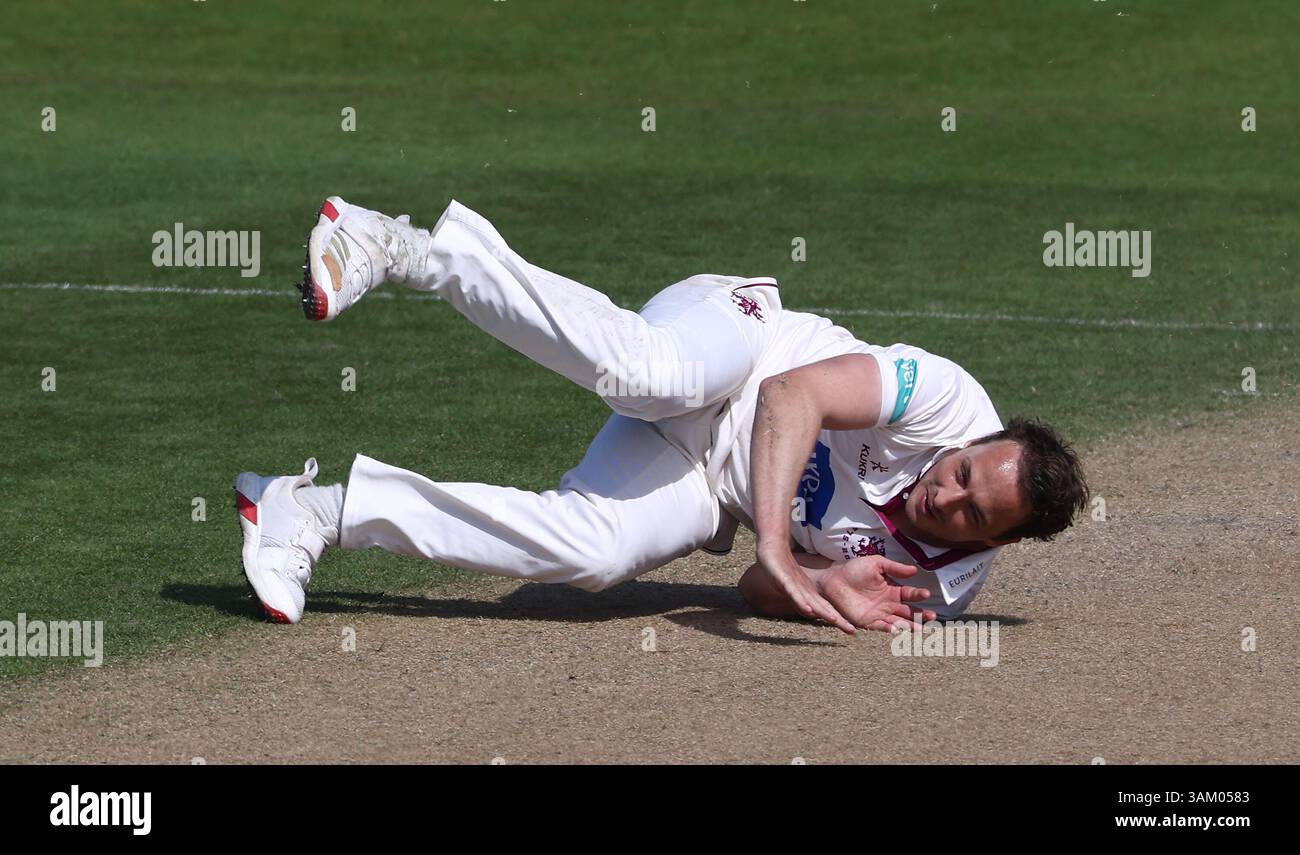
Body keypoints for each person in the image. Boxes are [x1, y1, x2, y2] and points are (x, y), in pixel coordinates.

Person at [234, 196, 1089, 632]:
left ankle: (309, 510)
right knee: (647, 372)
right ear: (979, 441)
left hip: (708, 478)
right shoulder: (948, 399)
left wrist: (817, 586)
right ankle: (404, 247)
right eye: (966, 472)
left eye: (975, 512)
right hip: (741, 347)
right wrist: (782, 546)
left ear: (997, 542)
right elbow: (796, 396)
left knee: (597, 553)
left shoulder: (940, 590)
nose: (950, 495)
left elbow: (759, 590)